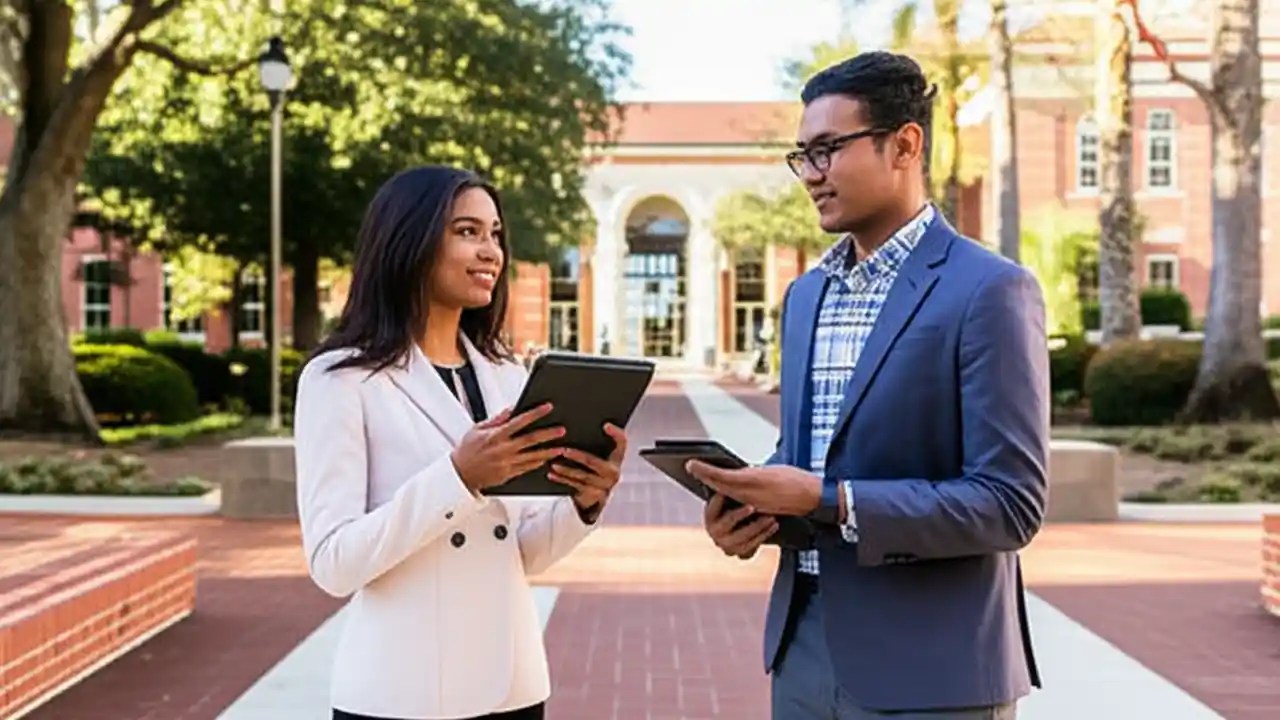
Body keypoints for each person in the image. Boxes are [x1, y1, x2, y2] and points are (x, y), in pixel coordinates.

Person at [688, 51, 1048, 720]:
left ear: (904, 145)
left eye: (827, 150)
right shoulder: (804, 296)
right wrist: (754, 506)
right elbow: (809, 457)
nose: (810, 176)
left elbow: (1011, 505)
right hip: (801, 650)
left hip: (933, 671)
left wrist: (830, 500)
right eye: (802, 156)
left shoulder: (990, 291)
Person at [294, 165, 626, 720]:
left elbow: (521, 552)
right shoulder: (339, 380)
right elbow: (334, 564)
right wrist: (458, 478)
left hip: (512, 684)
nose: (490, 251)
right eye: (467, 232)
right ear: (410, 240)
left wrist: (582, 503)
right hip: (402, 692)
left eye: (496, 234)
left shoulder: (507, 375)